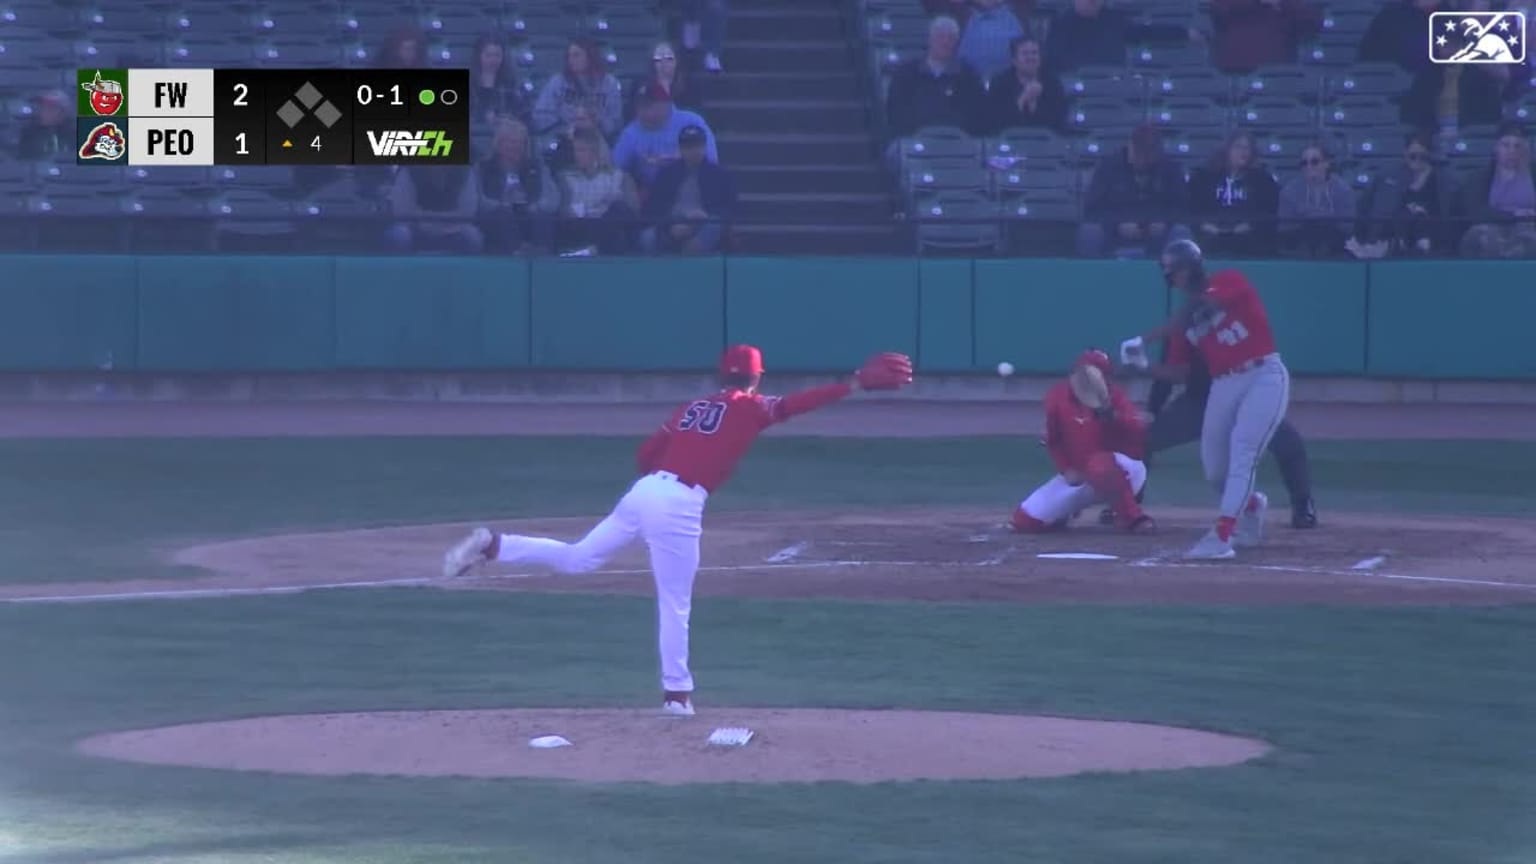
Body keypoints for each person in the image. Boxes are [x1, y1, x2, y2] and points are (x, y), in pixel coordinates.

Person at [442, 346, 915, 716]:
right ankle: (676, 697)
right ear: (757, 377)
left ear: (721, 374)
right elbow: (795, 405)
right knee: (674, 601)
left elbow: (646, 456)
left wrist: (672, 466)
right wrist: (852, 383)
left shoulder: (691, 407)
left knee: (578, 559)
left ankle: (495, 545)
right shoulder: (751, 407)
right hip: (679, 503)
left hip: (644, 491)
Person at [1121, 239, 1289, 560]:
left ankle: (1222, 535)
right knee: (1215, 469)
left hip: (1263, 375)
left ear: (1192, 268)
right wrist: (1143, 367)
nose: (1176, 278)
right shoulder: (1184, 323)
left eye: (1178, 271)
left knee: (1243, 451)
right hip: (1224, 383)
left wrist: (1145, 338)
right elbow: (1181, 371)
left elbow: (1198, 309)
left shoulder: (1229, 280)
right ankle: (1251, 505)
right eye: (1173, 273)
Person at [1010, 350, 1155, 535]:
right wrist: (1066, 469)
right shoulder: (1057, 397)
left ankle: (1132, 518)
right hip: (1082, 474)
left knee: (1099, 464)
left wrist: (1114, 417)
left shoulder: (1115, 398)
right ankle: (1063, 515)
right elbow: (1054, 440)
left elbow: (1137, 436)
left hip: (1124, 472)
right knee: (1025, 520)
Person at [1078, 124, 1190, 258]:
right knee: (1090, 232)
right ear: (1131, 146)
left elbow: (1182, 207)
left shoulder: (1171, 169)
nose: (1144, 159)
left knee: (1181, 232)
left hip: (1158, 232)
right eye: (1140, 153)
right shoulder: (1108, 168)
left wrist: (1165, 222)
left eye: (1149, 154)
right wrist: (1116, 226)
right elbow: (1092, 210)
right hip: (1115, 231)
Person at [1352, 129, 1456, 257]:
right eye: (1413, 156)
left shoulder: (1443, 181)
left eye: (1423, 157)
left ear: (1430, 156)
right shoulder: (1386, 178)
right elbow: (1365, 207)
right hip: (1394, 237)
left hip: (1432, 238)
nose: (1417, 160)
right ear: (1405, 154)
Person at [640, 124, 735, 254]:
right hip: (673, 224)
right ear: (681, 149)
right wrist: (670, 226)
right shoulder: (666, 174)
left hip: (704, 222)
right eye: (689, 147)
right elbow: (654, 207)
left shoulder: (720, 175)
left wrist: (705, 216)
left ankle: (688, 257)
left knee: (714, 226)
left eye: (698, 146)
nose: (694, 151)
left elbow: (729, 208)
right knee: (647, 237)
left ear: (704, 147)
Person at [1188, 131, 1280, 257]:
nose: (1243, 152)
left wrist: (1249, 226)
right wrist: (1205, 225)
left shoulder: (1263, 180)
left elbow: (1267, 212)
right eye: (1238, 147)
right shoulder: (1203, 177)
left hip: (1248, 237)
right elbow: (1192, 208)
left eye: (1247, 148)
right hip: (1209, 234)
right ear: (1227, 150)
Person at [612, 84, 718, 193]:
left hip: (692, 187)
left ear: (666, 103)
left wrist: (680, 160)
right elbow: (615, 167)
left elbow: (711, 160)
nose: (642, 111)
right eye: (639, 105)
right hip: (652, 191)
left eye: (648, 105)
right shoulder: (631, 133)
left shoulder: (691, 121)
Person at [554, 128, 640, 255]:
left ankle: (594, 250)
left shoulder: (618, 176)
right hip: (580, 227)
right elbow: (563, 210)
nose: (576, 155)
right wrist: (599, 206)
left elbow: (632, 209)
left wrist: (600, 209)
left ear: (594, 152)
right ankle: (594, 249)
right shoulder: (564, 178)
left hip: (609, 226)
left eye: (581, 150)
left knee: (618, 212)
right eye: (575, 150)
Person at [477, 118, 557, 253]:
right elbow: (480, 199)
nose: (516, 146)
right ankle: (517, 254)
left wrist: (537, 206)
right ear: (499, 143)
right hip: (497, 217)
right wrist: (500, 205)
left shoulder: (537, 167)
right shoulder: (483, 168)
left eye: (521, 142)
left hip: (530, 214)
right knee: (503, 215)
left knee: (543, 217)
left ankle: (542, 256)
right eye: (511, 141)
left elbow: (551, 197)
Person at [1457, 123, 1536, 259]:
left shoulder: (1533, 174)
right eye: (1506, 145)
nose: (1512, 151)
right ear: (1496, 148)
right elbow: (1477, 211)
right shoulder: (1479, 177)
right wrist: (1514, 214)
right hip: (1494, 226)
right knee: (1475, 236)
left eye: (1517, 146)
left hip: (1530, 226)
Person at [532, 37, 623, 140]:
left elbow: (616, 121)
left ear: (590, 57)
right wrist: (565, 128)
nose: (571, 60)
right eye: (569, 56)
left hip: (600, 139)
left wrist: (597, 122)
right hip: (565, 139)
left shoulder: (609, 83)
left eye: (576, 55)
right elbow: (541, 115)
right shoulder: (558, 82)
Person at [1277, 142, 1357, 258]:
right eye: (1304, 163)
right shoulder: (1288, 191)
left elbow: (1347, 228)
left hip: (1335, 248)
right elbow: (1284, 228)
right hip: (1298, 248)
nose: (1309, 167)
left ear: (1327, 164)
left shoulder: (1343, 190)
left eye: (1314, 162)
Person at [983, 36, 1068, 134]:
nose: (1030, 57)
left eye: (1034, 53)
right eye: (1025, 53)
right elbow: (996, 122)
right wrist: (1023, 99)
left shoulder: (1053, 84)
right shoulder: (999, 83)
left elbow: (1058, 122)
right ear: (1014, 60)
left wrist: (1034, 105)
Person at [470, 33, 529, 132]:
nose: (493, 60)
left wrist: (508, 120)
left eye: (497, 55)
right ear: (479, 56)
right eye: (488, 55)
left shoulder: (513, 84)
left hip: (506, 134)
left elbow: (524, 115)